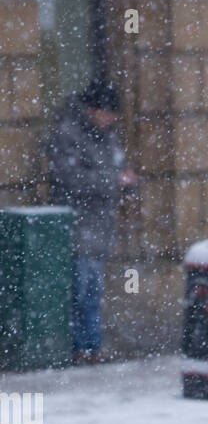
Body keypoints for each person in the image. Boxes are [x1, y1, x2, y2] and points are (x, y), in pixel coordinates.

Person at [43, 80, 138, 362]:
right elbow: (71, 179)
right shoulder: (68, 134)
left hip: (97, 227)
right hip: (77, 225)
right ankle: (78, 347)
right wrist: (114, 180)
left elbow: (117, 167)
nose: (110, 120)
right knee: (80, 290)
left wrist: (127, 180)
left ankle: (92, 347)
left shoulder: (106, 136)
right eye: (106, 113)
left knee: (93, 290)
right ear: (91, 110)